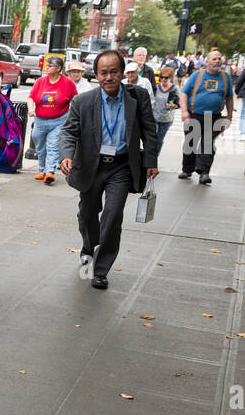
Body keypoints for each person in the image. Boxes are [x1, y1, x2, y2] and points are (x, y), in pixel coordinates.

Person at [59, 50, 160, 291]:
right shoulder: (82, 101)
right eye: (103, 73)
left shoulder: (138, 96)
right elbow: (68, 132)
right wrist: (66, 155)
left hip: (122, 166)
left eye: (114, 72)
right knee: (87, 215)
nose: (109, 77)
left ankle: (101, 270)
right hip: (91, 166)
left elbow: (149, 130)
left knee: (113, 216)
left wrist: (151, 160)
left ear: (122, 73)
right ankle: (88, 246)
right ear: (96, 74)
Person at [179, 49, 233, 185]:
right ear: (207, 61)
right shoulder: (197, 75)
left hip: (214, 117)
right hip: (194, 115)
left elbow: (230, 98)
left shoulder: (226, 77)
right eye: (214, 59)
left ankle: (204, 173)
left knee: (207, 144)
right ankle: (187, 170)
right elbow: (184, 93)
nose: (217, 61)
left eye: (219, 58)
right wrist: (184, 111)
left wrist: (229, 117)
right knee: (190, 144)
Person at [28, 54, 79, 185]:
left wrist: (73, 116)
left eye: (50, 66)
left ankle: (50, 171)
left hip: (59, 120)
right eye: (47, 65)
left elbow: (76, 100)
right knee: (39, 144)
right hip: (40, 120)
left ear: (59, 68)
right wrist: (31, 109)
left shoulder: (68, 83)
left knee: (52, 145)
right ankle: (42, 169)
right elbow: (31, 97)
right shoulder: (40, 81)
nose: (47, 67)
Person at [148, 65, 179, 149]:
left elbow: (178, 104)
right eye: (161, 77)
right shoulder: (156, 87)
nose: (164, 79)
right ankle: (149, 157)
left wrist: (174, 105)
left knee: (159, 140)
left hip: (166, 119)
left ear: (171, 77)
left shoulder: (174, 89)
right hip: (154, 117)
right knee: (151, 139)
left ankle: (154, 158)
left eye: (166, 77)